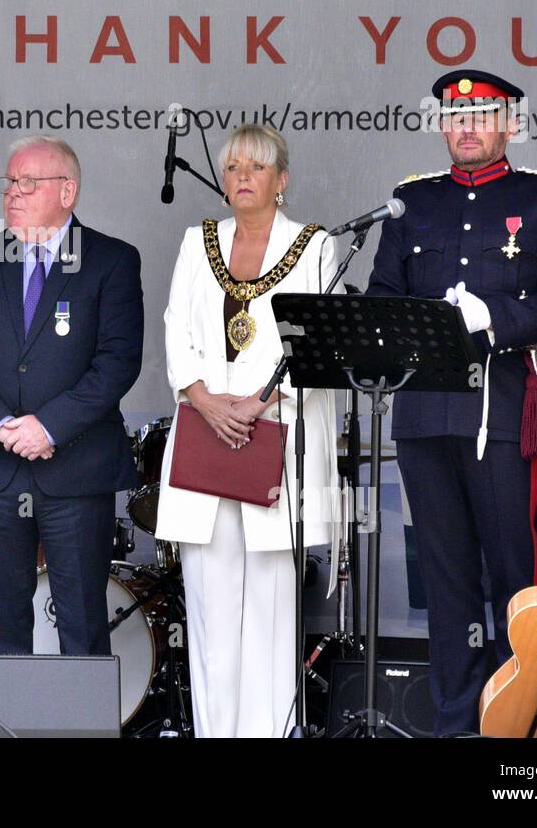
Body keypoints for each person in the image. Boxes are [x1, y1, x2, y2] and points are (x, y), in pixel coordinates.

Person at [366, 68, 537, 736]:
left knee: (512, 574)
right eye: (455, 116)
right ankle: (456, 723)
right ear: (442, 125)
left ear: (509, 125)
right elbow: (383, 293)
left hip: (500, 408)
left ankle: (524, 721)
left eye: (482, 115)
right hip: (425, 413)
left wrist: (492, 317)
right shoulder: (413, 202)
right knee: (445, 578)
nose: (466, 126)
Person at [156, 125, 341, 738]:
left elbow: (318, 342)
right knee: (209, 607)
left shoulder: (314, 246)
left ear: (281, 181)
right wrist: (207, 400)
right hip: (206, 436)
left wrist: (258, 404)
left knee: (269, 610)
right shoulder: (195, 241)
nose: (241, 176)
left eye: (255, 167)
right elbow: (176, 328)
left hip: (277, 439)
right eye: (232, 166)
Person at [0, 135, 143, 655]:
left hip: (76, 471)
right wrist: (4, 427)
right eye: (9, 182)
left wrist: (47, 427)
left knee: (81, 625)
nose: (13, 193)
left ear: (68, 191)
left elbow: (117, 361)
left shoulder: (112, 260)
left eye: (28, 183)